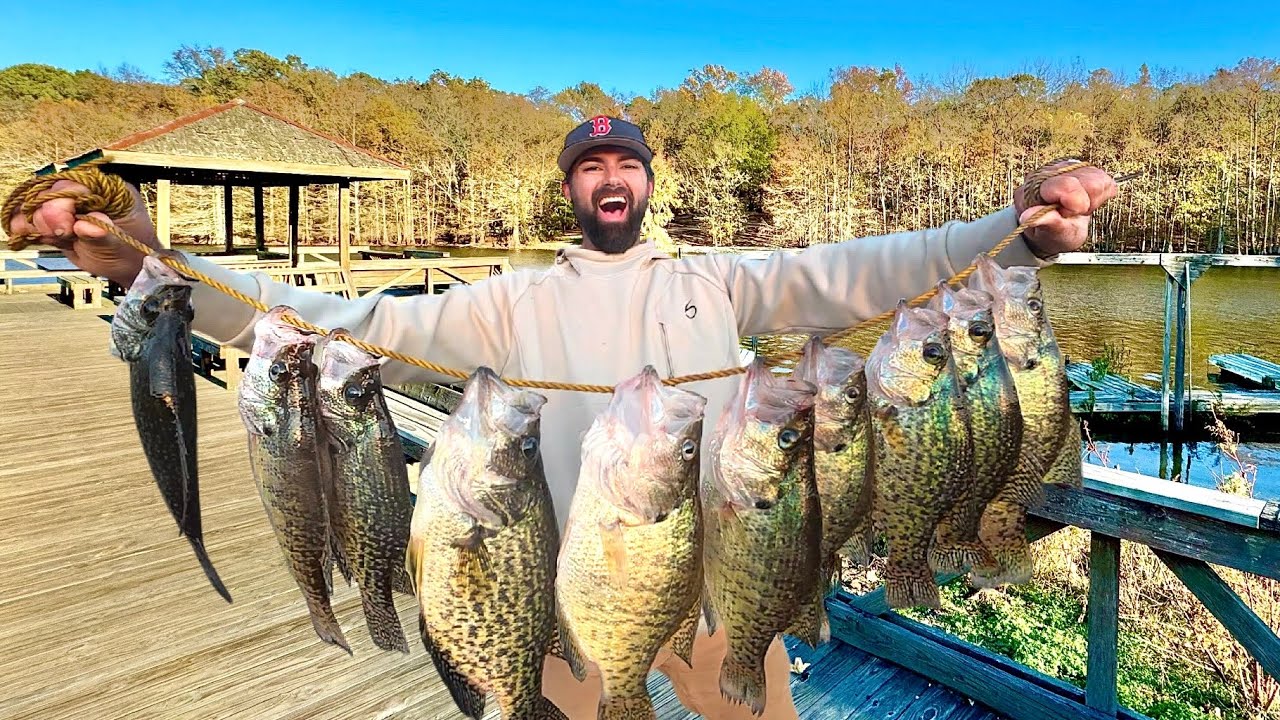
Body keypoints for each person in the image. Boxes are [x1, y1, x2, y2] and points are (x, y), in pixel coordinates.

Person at [8, 115, 1117, 719]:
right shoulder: (506, 303)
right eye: (590, 167)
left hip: (724, 567)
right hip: (559, 581)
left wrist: (1016, 230)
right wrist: (147, 257)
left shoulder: (725, 283)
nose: (609, 178)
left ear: (648, 184)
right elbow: (332, 319)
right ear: (572, 191)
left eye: (625, 162)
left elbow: (869, 269)